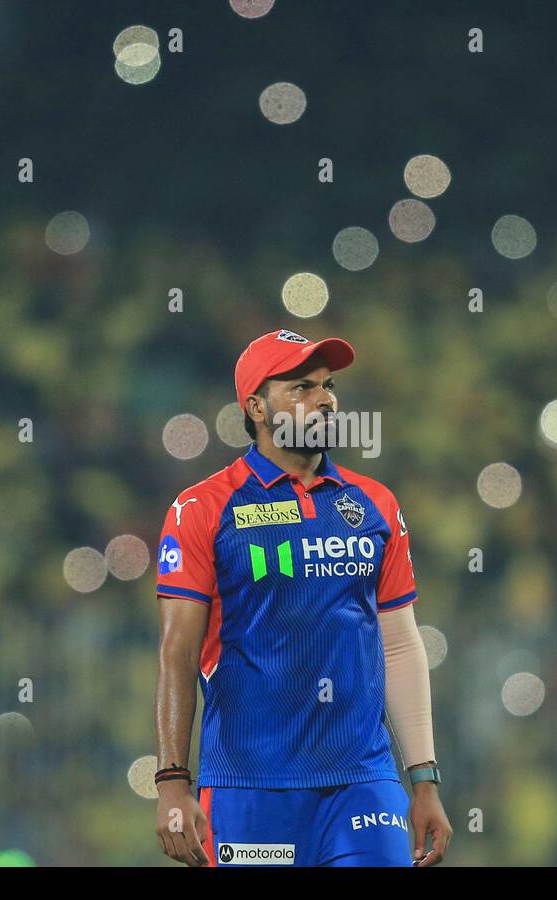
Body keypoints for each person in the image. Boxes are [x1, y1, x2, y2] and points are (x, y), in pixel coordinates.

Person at [153, 328, 452, 867]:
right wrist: (173, 780)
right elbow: (178, 653)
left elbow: (402, 647)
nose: (324, 398)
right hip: (249, 787)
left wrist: (424, 779)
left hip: (363, 782)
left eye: (326, 384)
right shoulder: (201, 509)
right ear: (256, 408)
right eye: (300, 387)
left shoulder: (375, 504)